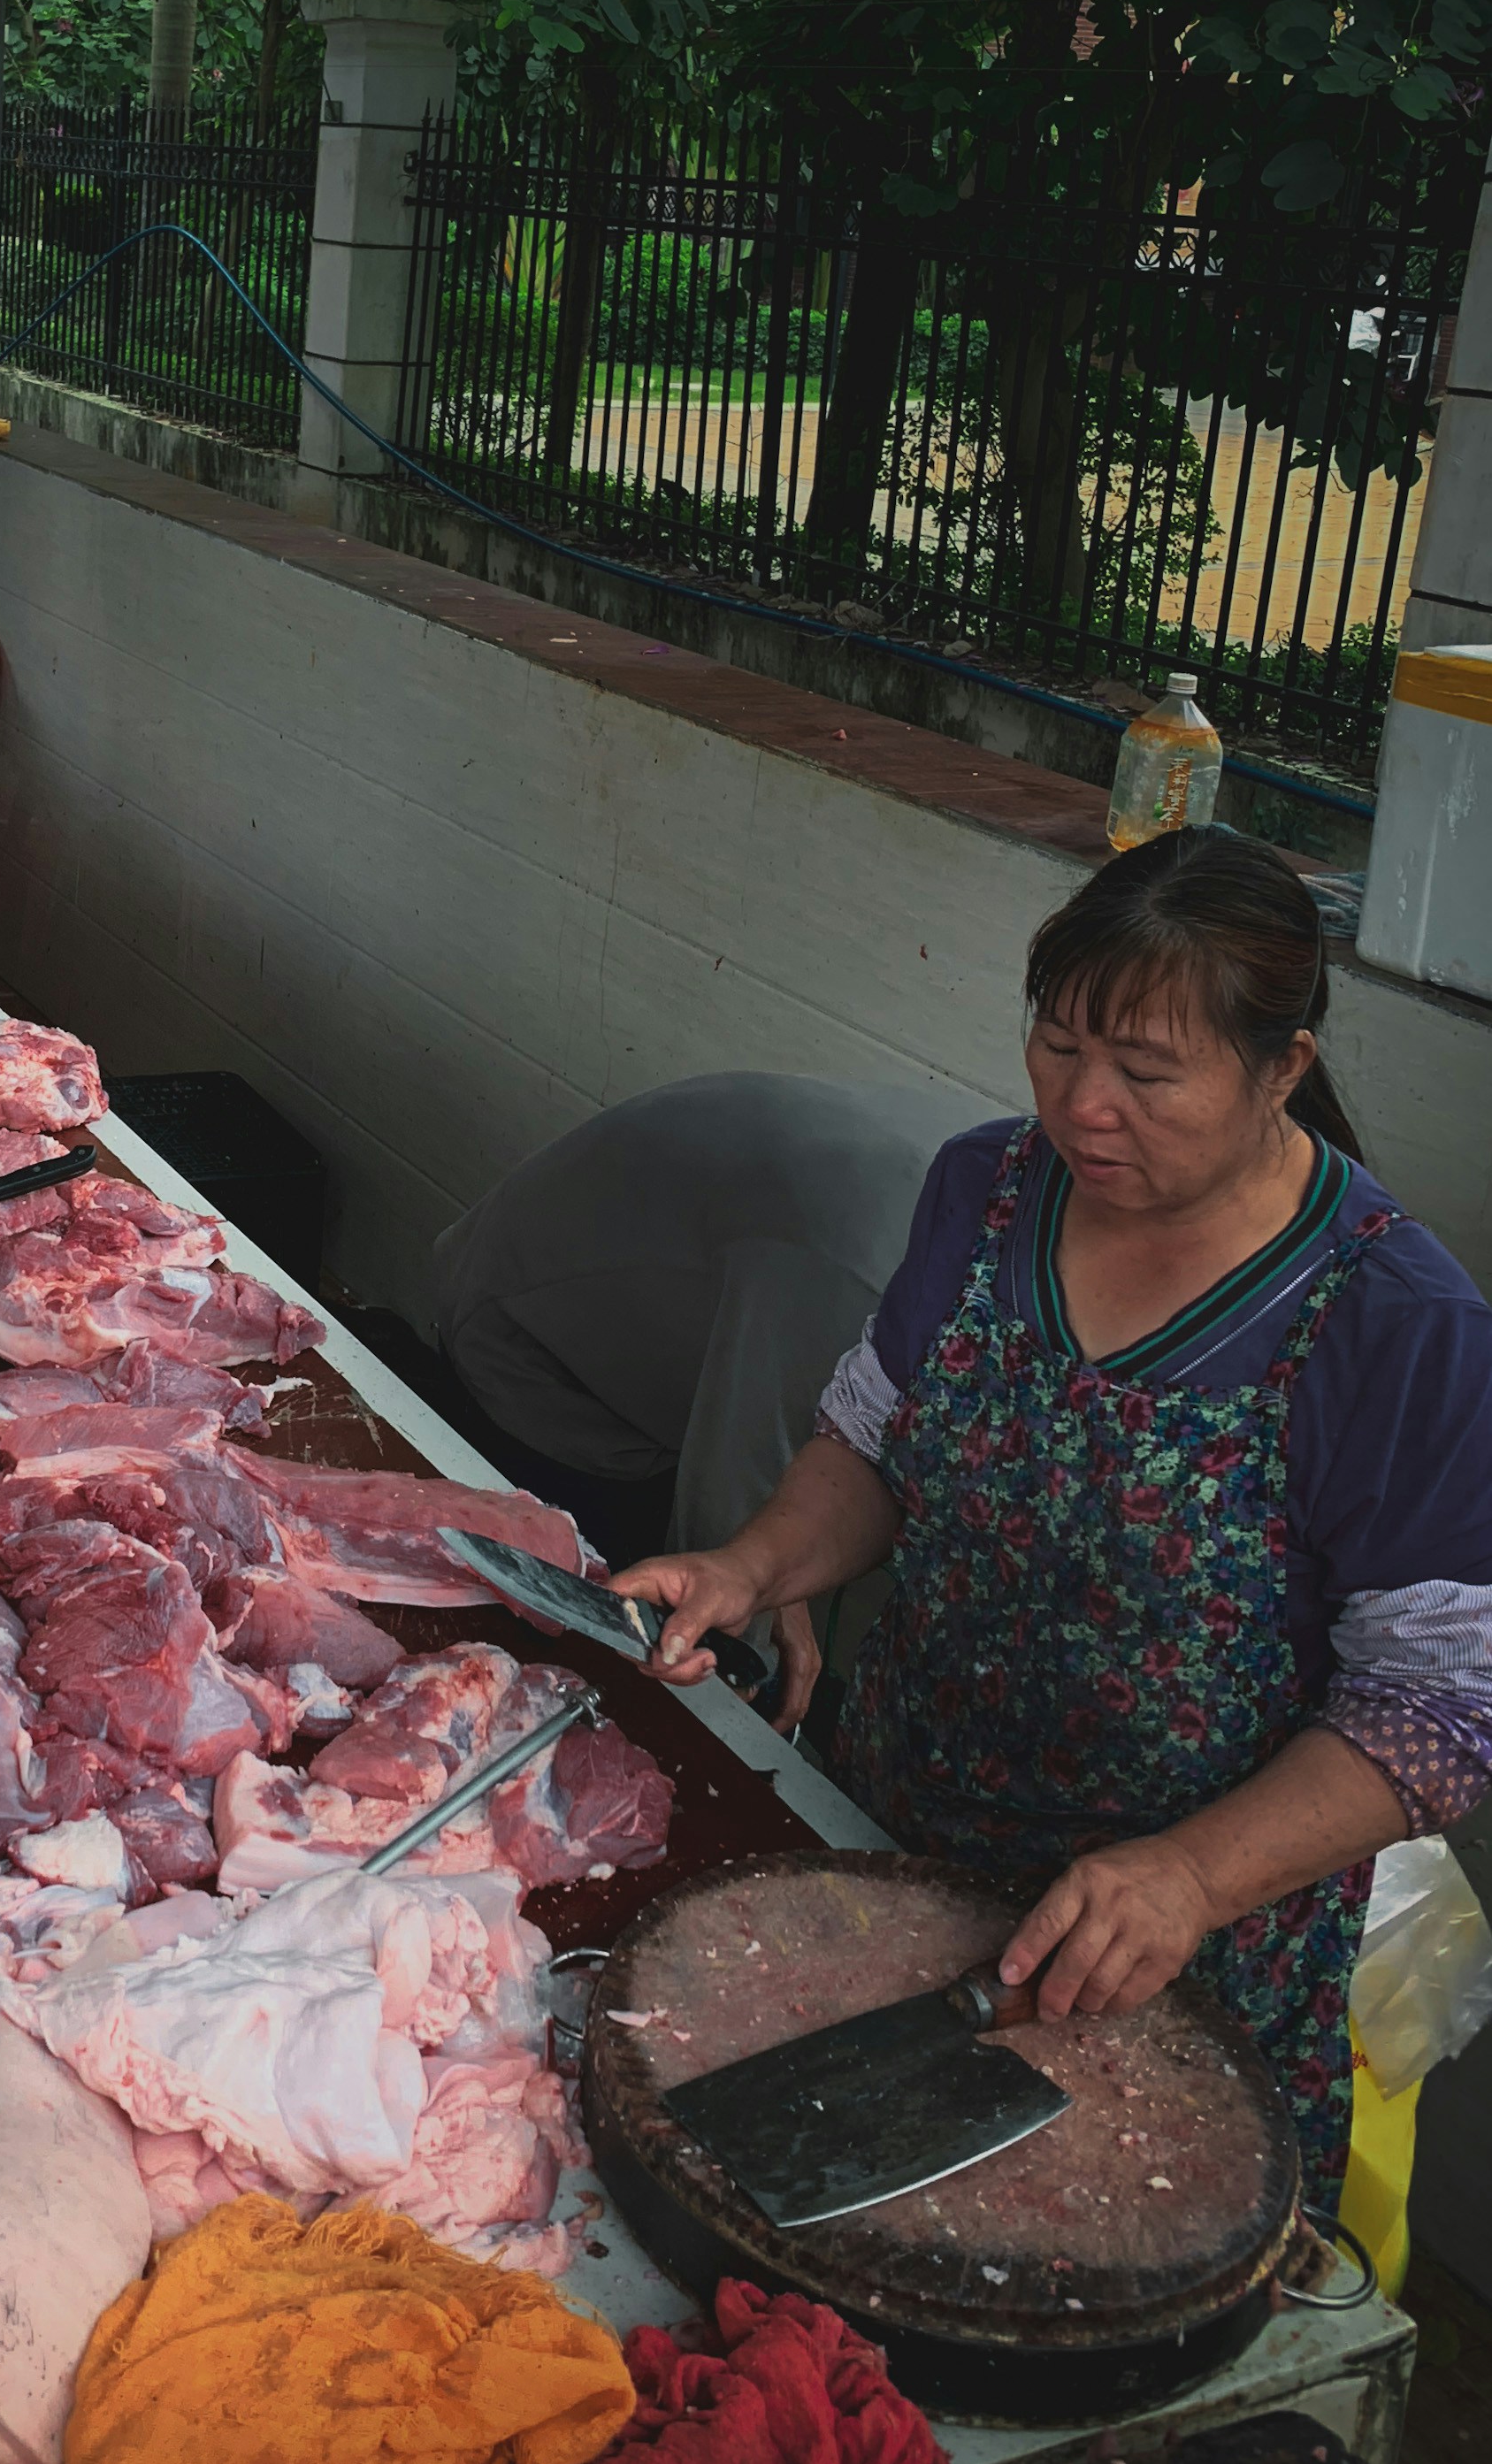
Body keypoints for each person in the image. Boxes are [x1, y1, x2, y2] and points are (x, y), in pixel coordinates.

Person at [611, 830, 1491, 2207]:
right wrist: (750, 1562)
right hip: (894, 1850)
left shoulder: (1394, 1327)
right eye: (1057, 1044)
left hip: (1165, 1964)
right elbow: (875, 1439)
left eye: (1145, 1073)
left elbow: (1440, 1711)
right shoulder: (987, 1190)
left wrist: (1190, 1879)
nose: (1083, 1106)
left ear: (1282, 1072)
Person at [430, 1075, 959, 1689]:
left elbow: (779, 1395)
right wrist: (740, 1675)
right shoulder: (866, 1276)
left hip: (682, 1328)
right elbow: (733, 1494)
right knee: (571, 1655)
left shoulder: (944, 1216)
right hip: (529, 1347)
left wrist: (778, 1576)